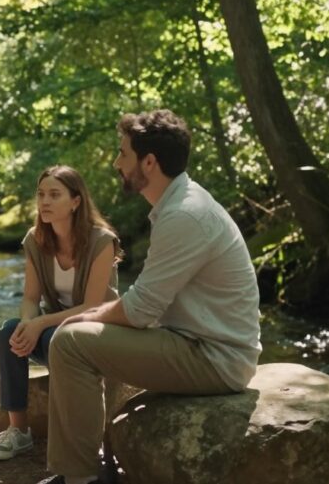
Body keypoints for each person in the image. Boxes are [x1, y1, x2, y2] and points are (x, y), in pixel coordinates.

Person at [36, 110, 262, 484]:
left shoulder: (184, 215)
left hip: (214, 357)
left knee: (71, 341)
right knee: (88, 338)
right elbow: (144, 305)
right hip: (197, 342)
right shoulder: (182, 203)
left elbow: (140, 310)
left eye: (123, 153)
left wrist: (84, 317)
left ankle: (81, 478)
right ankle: (90, 463)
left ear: (150, 162)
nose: (116, 162)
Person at [0, 165, 121, 462]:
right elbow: (31, 296)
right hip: (56, 330)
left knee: (55, 339)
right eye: (41, 194)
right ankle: (19, 432)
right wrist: (26, 323)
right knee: (10, 332)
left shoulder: (102, 242)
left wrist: (40, 323)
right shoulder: (36, 239)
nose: (44, 201)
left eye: (54, 195)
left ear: (76, 201)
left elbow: (93, 307)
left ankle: (78, 442)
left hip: (95, 331)